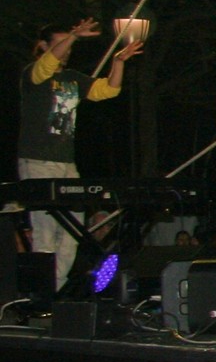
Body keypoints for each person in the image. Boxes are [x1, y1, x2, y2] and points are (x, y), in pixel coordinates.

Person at [16, 19, 142, 286]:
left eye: (70, 43)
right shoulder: (34, 75)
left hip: (66, 163)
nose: (69, 48)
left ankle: (53, 290)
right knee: (46, 232)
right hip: (38, 162)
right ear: (43, 46)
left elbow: (107, 90)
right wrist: (73, 35)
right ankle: (42, 295)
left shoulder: (72, 78)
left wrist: (118, 63)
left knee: (73, 232)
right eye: (62, 42)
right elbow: (49, 62)